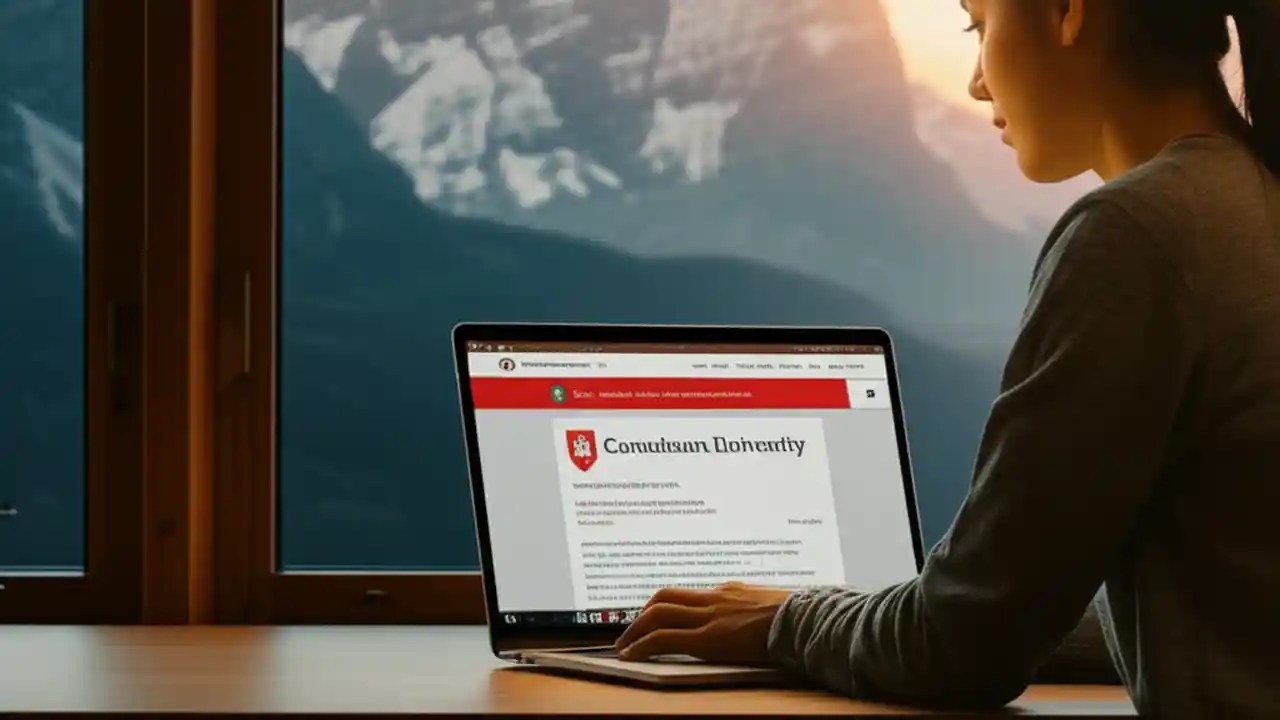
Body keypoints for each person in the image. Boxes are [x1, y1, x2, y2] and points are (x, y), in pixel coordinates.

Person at [614, 0, 1280, 716]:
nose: (976, 82)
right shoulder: (1247, 200)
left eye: (979, 24)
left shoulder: (1141, 233)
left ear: (1067, 12)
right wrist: (952, 610)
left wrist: (789, 621)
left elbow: (962, 646)